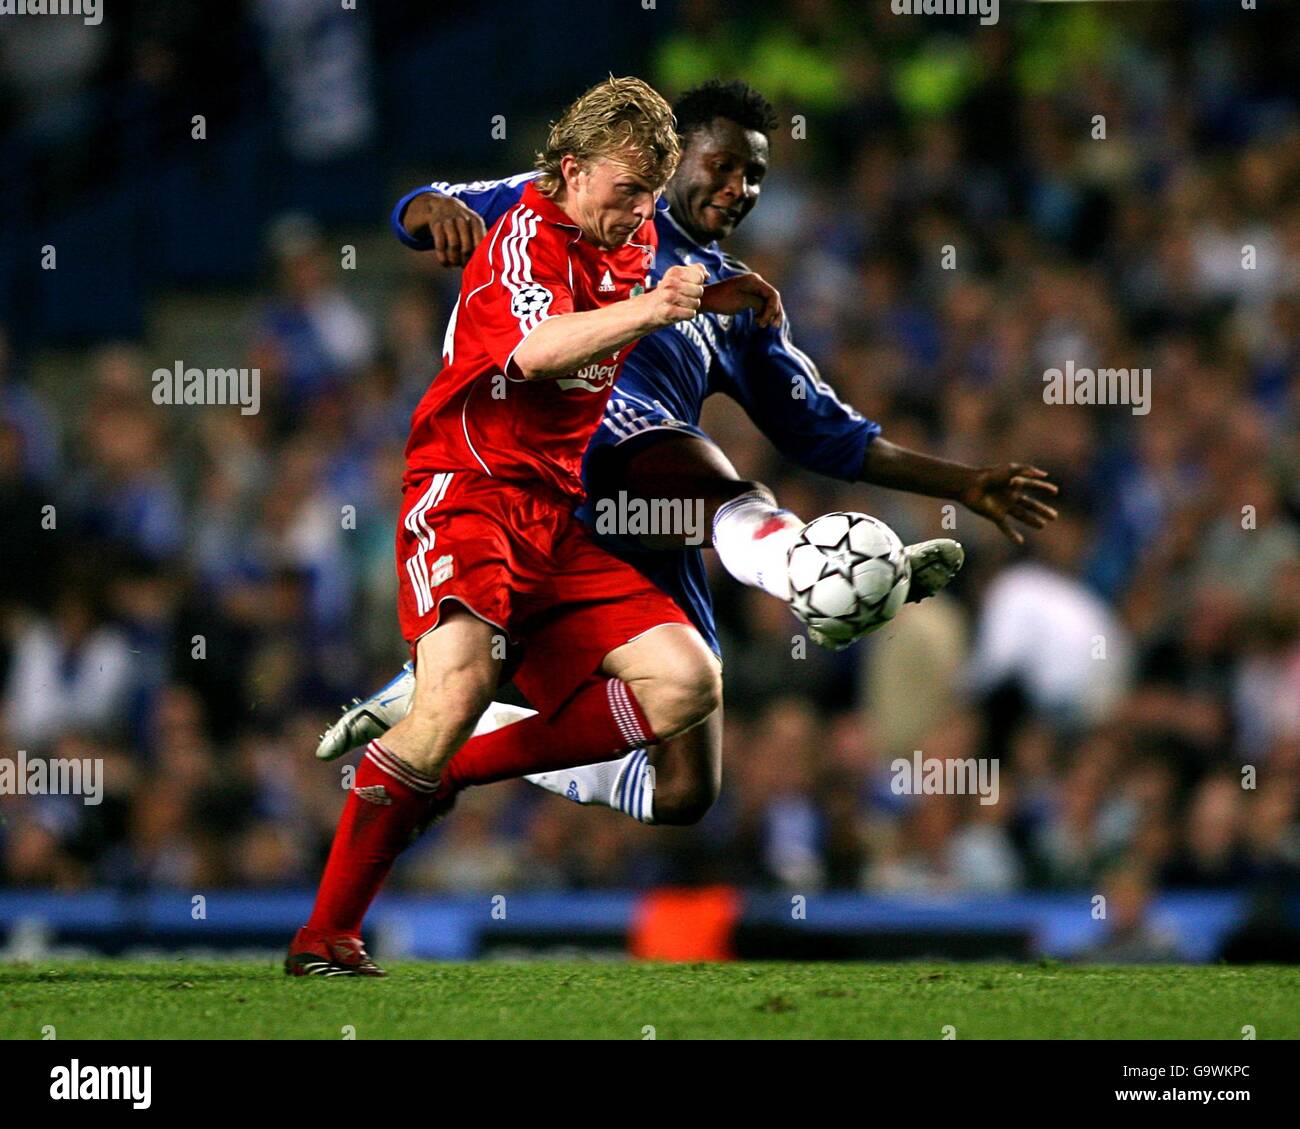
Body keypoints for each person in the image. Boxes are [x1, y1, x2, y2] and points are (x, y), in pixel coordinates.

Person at [317, 80, 1057, 851]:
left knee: (682, 789)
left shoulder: (736, 301)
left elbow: (826, 433)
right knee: (684, 455)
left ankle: (451, 740)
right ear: (675, 159)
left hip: (656, 514)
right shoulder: (579, 202)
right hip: (567, 463)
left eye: (756, 177)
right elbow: (430, 202)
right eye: (724, 165)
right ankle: (808, 570)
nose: (739, 189)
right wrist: (425, 210)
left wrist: (962, 482)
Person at [287, 76, 782, 977]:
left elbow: (666, 267)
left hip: (558, 515)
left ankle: (465, 765)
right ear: (569, 170)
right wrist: (658, 306)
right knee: (457, 686)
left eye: (648, 196)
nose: (637, 214)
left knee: (687, 681)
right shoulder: (525, 230)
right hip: (467, 490)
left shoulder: (630, 237)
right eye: (625, 192)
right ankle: (325, 936)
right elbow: (536, 348)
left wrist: (714, 290)